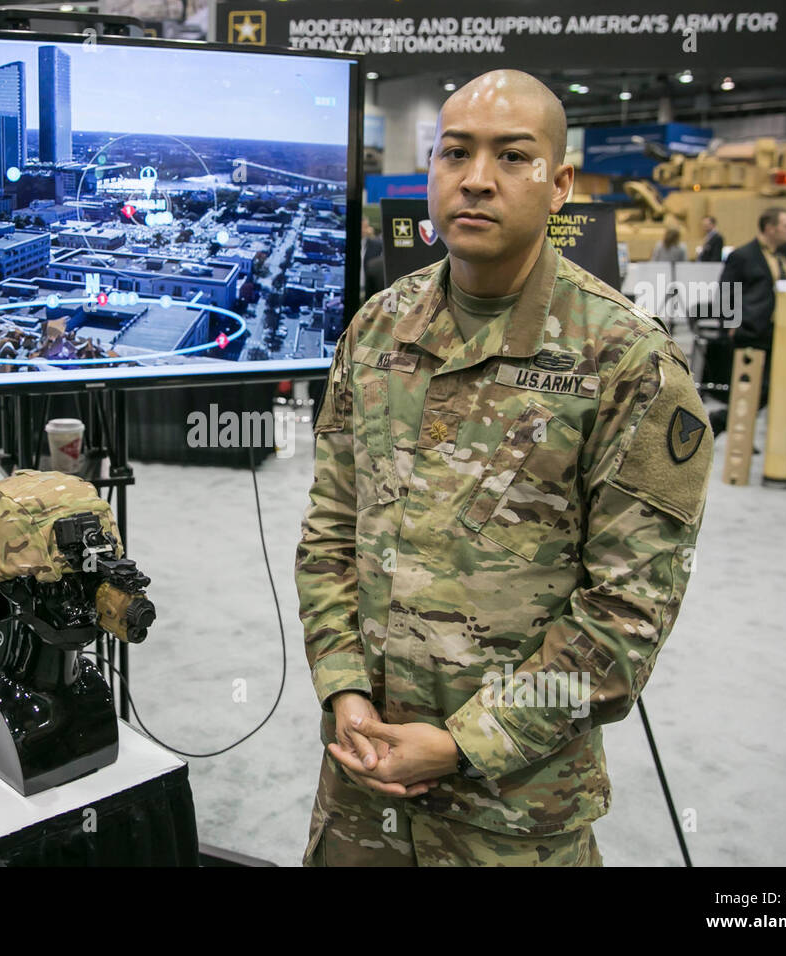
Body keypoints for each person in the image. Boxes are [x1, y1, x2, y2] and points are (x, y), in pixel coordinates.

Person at [295, 69, 713, 867]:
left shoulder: (628, 363)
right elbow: (329, 535)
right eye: (455, 153)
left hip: (511, 809)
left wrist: (462, 744)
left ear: (559, 186)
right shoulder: (377, 331)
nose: (476, 179)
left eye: (512, 156)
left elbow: (626, 617)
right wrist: (343, 687)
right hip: (363, 784)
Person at [707, 207, 786, 433]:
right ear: (770, 228)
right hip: (751, 332)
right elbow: (725, 294)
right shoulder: (742, 256)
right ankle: (727, 422)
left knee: (775, 388)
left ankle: (731, 423)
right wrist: (730, 326)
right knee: (752, 390)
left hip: (782, 332)